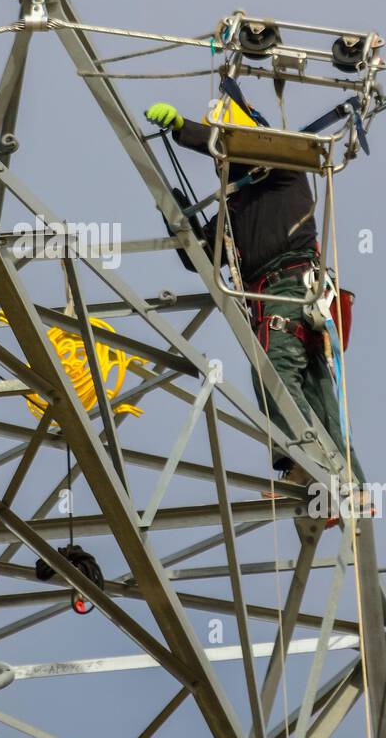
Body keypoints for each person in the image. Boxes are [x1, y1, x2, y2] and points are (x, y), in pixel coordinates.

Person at [145, 98, 367, 500]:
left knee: (274, 375)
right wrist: (176, 216)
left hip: (291, 289)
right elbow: (198, 258)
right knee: (313, 393)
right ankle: (345, 482)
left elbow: (238, 141)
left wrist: (183, 129)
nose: (220, 160)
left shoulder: (284, 169)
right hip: (275, 302)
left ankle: (311, 466)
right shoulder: (235, 206)